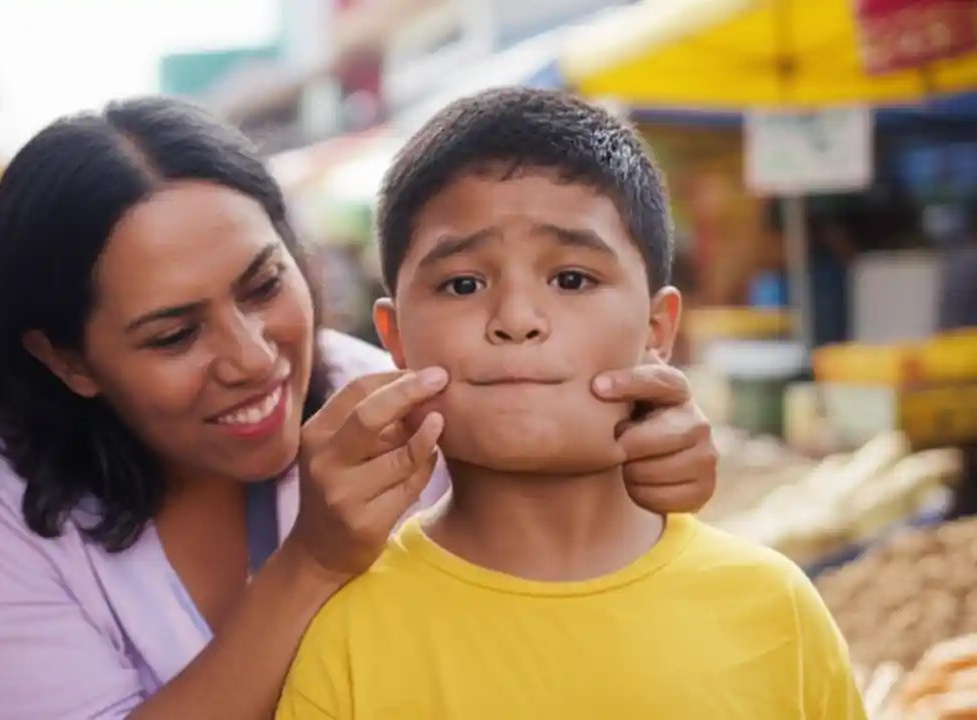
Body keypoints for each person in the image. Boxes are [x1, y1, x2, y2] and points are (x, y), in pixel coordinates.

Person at [0, 96, 721, 720]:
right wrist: (312, 564)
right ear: (67, 358)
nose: (254, 359)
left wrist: (636, 455)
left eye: (264, 286)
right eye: (175, 335)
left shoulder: (386, 399)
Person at [276, 89, 864, 719]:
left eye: (572, 279)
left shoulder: (775, 611)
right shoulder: (346, 641)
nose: (517, 318)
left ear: (657, 330)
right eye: (463, 284)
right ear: (394, 338)